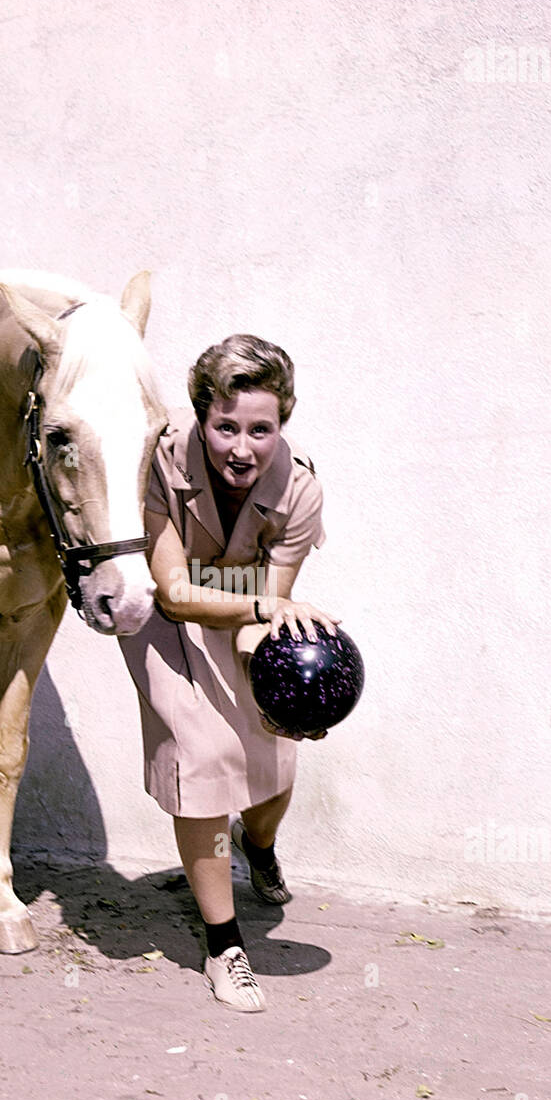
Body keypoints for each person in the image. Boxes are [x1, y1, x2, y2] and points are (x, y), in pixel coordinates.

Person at [118, 334, 338, 1012]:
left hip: (243, 616)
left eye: (260, 429)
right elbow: (176, 593)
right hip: (169, 615)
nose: (241, 447)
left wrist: (290, 695)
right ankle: (224, 946)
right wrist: (261, 602)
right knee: (205, 759)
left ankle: (259, 845)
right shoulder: (158, 463)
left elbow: (270, 602)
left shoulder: (299, 490)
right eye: (225, 427)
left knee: (274, 766)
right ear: (201, 418)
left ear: (282, 426)